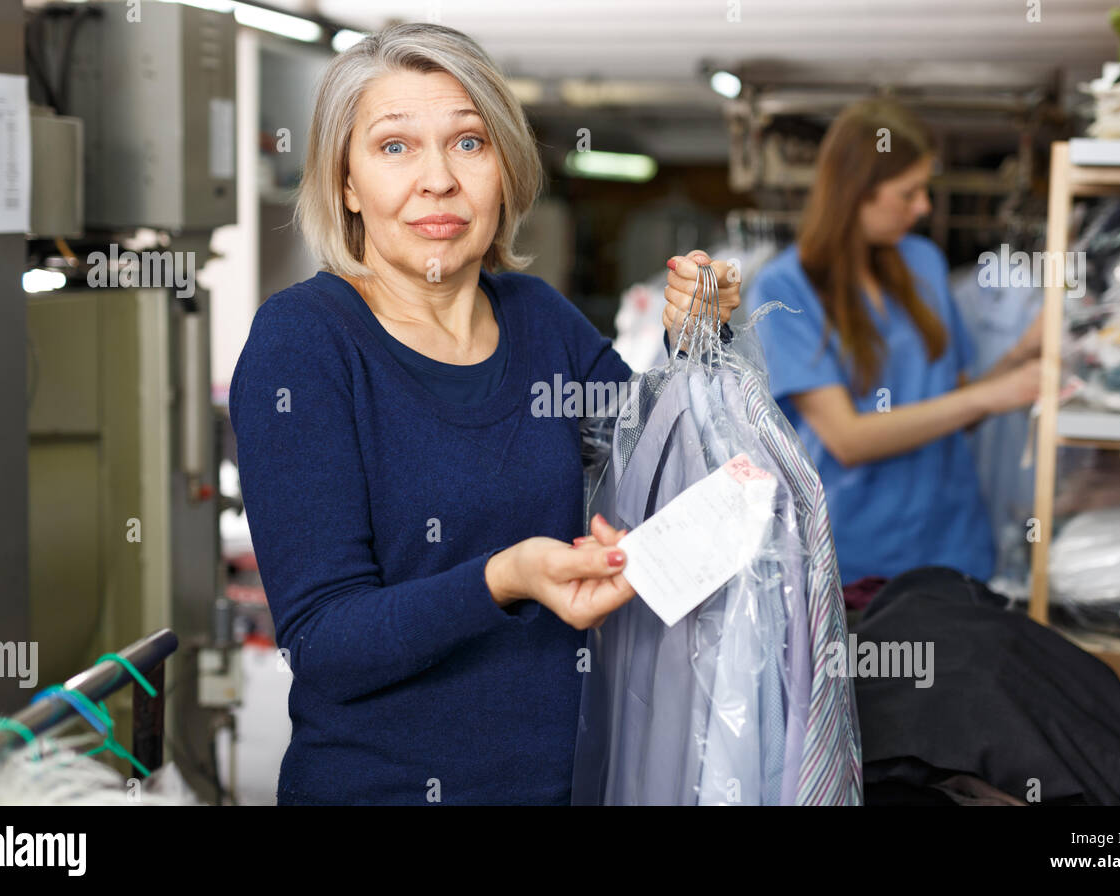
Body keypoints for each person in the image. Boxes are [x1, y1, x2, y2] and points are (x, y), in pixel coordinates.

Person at [228, 22, 740, 805]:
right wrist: (505, 579)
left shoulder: (540, 319)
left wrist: (697, 338)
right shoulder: (304, 342)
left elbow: (669, 461)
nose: (438, 180)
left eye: (469, 143)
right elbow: (326, 641)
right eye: (395, 147)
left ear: (504, 170)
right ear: (346, 184)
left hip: (566, 786)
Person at [745, 99, 1042, 586]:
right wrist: (989, 394)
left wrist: (1020, 356)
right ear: (855, 192)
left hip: (952, 542)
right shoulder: (784, 289)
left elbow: (957, 407)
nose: (924, 207)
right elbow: (848, 438)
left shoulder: (922, 262)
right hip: (856, 558)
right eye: (909, 193)